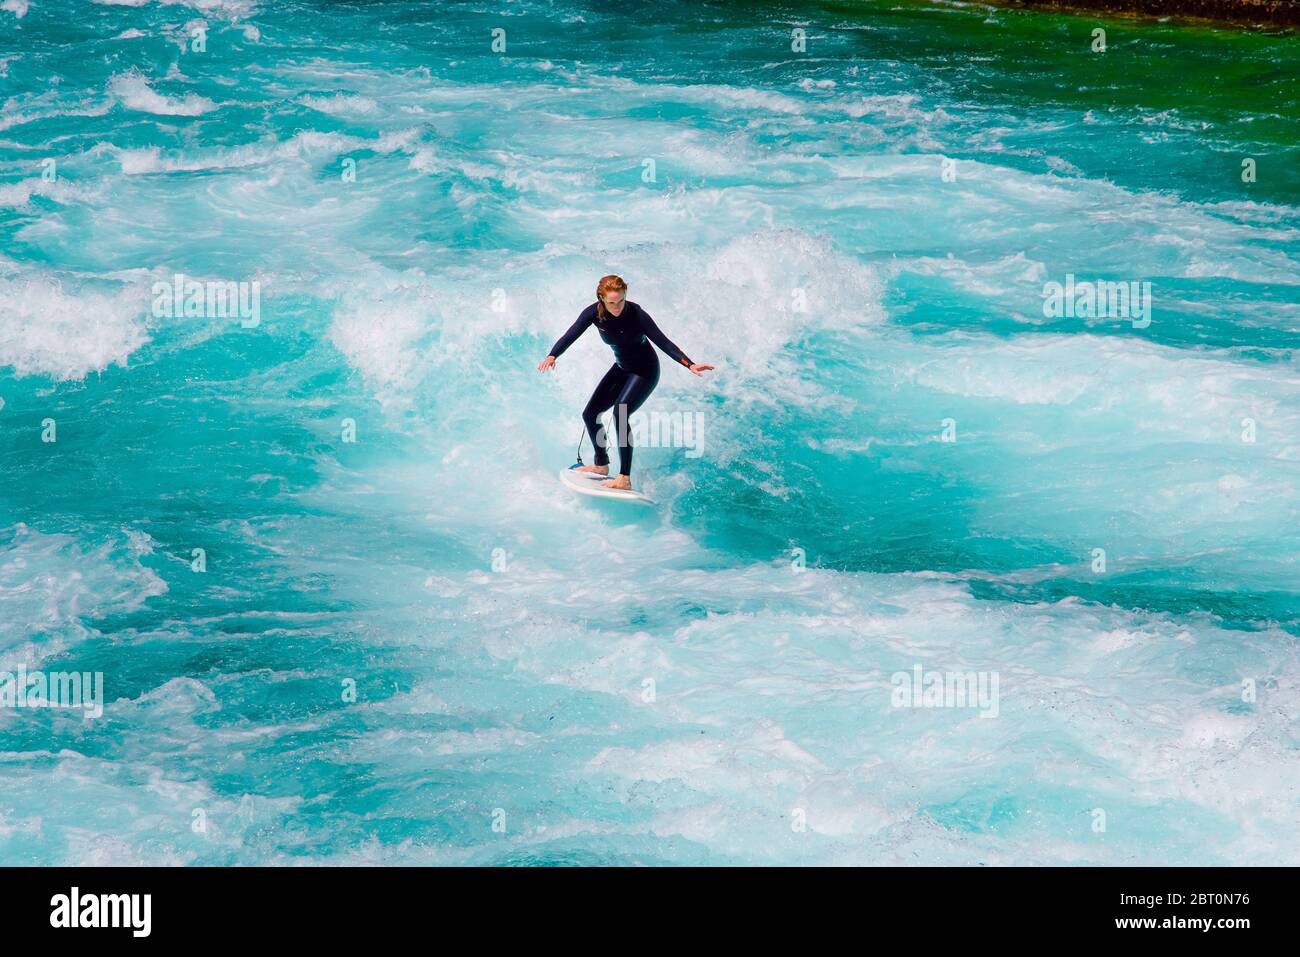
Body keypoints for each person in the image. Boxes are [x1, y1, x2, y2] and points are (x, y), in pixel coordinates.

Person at [539, 275, 713, 490]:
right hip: (622, 368)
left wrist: (689, 364)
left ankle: (624, 478)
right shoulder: (593, 313)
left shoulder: (636, 314)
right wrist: (553, 355)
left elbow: (663, 341)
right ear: (601, 299)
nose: (617, 307)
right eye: (611, 302)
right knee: (590, 414)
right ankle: (601, 464)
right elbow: (570, 335)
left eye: (620, 300)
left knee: (620, 413)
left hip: (645, 370)